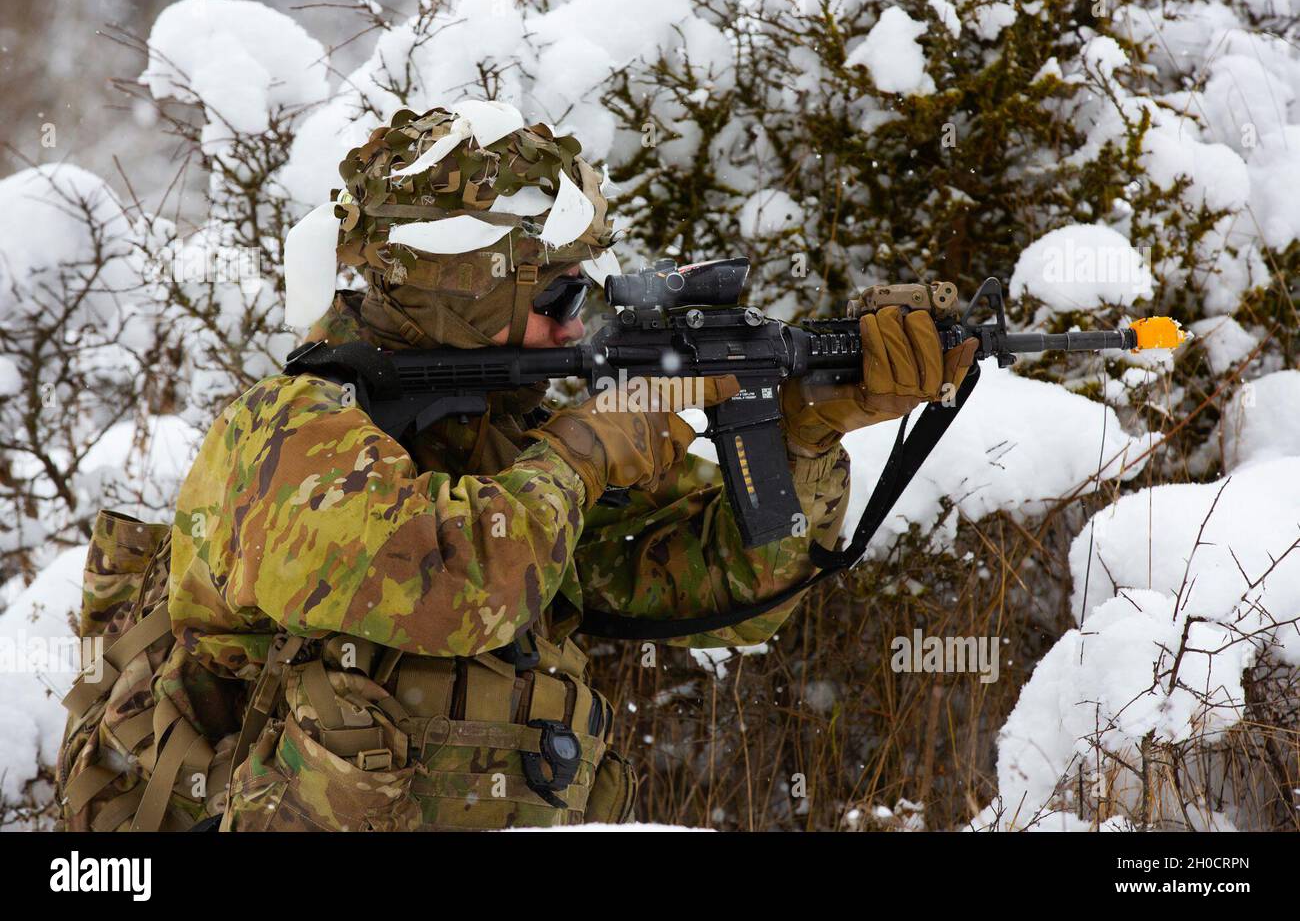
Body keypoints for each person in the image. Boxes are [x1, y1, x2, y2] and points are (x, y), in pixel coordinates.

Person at [167, 104, 976, 830]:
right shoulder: (283, 435)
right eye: (556, 297)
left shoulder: (513, 444)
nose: (574, 326)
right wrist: (583, 453)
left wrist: (805, 437)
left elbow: (720, 596)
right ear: (464, 286)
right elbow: (453, 590)